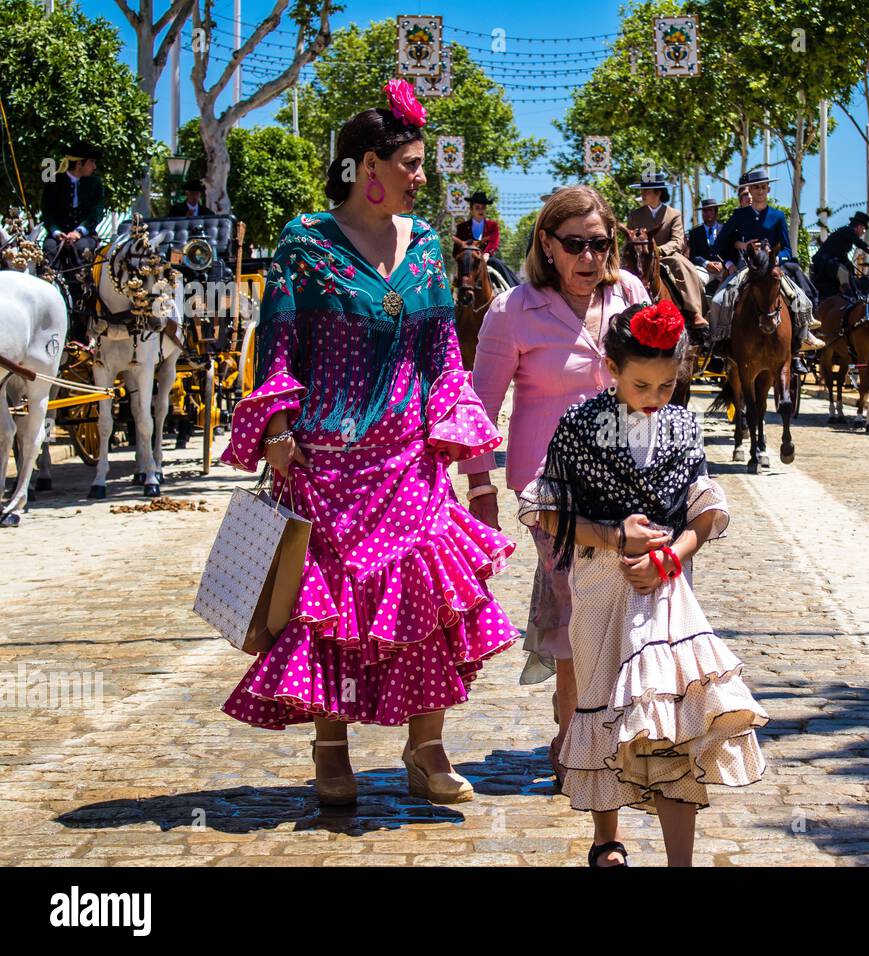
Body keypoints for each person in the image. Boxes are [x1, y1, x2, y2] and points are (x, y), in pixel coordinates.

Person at [217, 78, 518, 807]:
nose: (422, 177)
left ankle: (428, 749)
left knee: (427, 603)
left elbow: (444, 354)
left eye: (420, 164)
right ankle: (331, 751)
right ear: (366, 168)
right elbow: (280, 344)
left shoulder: (426, 250)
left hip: (411, 460)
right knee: (328, 611)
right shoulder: (305, 243)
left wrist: (472, 465)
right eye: (410, 164)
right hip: (325, 459)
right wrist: (279, 428)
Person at [518, 298, 768, 867]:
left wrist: (670, 559)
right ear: (610, 369)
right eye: (640, 385)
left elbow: (704, 512)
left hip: (666, 592)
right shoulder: (578, 426)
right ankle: (606, 839)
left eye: (665, 385)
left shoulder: (682, 425)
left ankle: (680, 855)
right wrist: (612, 536)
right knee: (602, 703)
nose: (654, 398)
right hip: (600, 587)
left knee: (673, 714)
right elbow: (545, 510)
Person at [461, 185, 650, 785]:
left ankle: (589, 722)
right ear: (547, 243)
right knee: (582, 607)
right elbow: (478, 409)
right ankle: (580, 733)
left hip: (630, 483)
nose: (589, 258)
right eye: (575, 245)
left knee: (625, 606)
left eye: (600, 244)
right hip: (551, 493)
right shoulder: (511, 311)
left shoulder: (631, 295)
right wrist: (481, 490)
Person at [710, 169, 824, 371]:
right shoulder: (739, 215)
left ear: (768, 189)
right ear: (750, 190)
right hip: (747, 268)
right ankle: (720, 343)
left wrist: (775, 255)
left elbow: (788, 248)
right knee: (719, 300)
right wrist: (736, 254)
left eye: (763, 187)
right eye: (755, 187)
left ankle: (801, 341)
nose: (760, 191)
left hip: (771, 268)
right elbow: (720, 245)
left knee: (800, 298)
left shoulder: (778, 216)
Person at [625, 173, 708, 336]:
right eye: (643, 190)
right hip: (640, 257)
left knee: (681, 264)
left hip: (667, 256)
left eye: (647, 191)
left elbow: (677, 241)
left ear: (659, 193)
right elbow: (630, 239)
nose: (643, 194)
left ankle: (694, 312)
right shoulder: (634, 215)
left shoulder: (673, 214)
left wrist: (658, 251)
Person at [40, 139, 103, 308]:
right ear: (80, 163)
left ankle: (84, 296)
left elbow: (96, 213)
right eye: (92, 162)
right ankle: (49, 293)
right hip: (58, 235)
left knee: (81, 248)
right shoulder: (54, 182)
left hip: (85, 236)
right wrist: (56, 231)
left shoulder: (95, 184)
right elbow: (47, 212)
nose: (94, 167)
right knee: (49, 248)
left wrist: (79, 232)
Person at [452, 190, 520, 288]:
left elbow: (493, 242)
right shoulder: (462, 227)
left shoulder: (493, 226)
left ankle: (514, 289)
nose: (481, 210)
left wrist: (487, 254)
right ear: (471, 210)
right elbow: (456, 249)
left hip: (486, 259)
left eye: (483, 208)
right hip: (468, 261)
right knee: (456, 280)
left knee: (496, 263)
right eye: (477, 208)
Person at [811, 211, 869, 301]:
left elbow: (842, 254)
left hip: (831, 262)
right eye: (863, 228)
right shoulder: (847, 231)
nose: (863, 232)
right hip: (824, 262)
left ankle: (855, 292)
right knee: (843, 272)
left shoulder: (847, 236)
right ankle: (849, 295)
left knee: (848, 269)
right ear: (858, 226)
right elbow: (859, 243)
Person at [687, 197, 726, 296]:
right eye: (704, 210)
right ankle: (700, 308)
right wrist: (707, 263)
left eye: (710, 210)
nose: (707, 213)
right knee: (694, 281)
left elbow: (731, 251)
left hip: (723, 268)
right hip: (704, 270)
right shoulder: (694, 233)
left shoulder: (725, 229)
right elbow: (693, 256)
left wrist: (723, 264)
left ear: (716, 212)